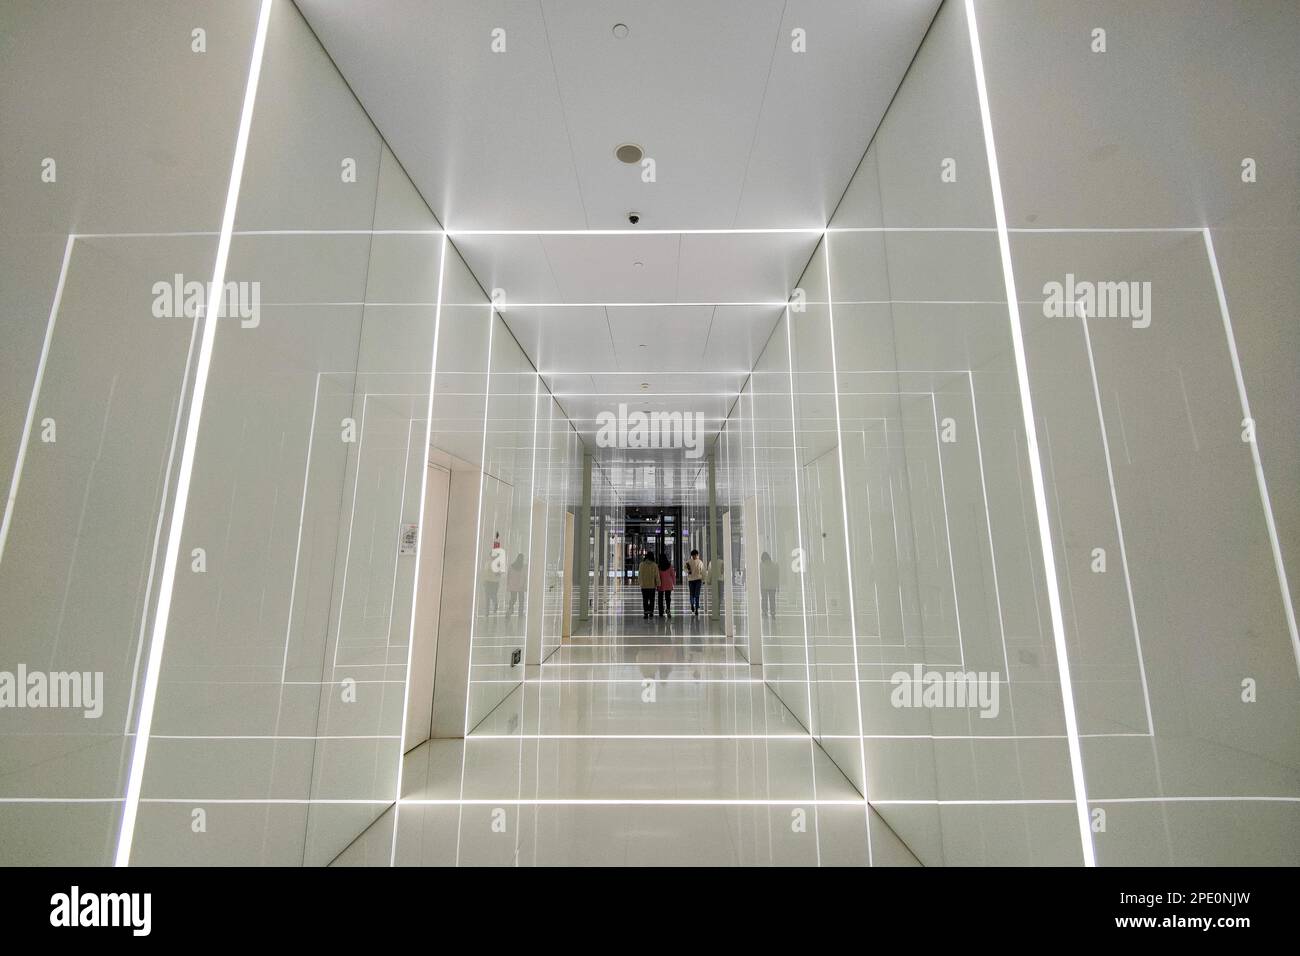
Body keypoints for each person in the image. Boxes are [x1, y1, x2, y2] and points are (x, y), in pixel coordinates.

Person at [637, 552, 659, 620]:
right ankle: (651, 612)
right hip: (652, 585)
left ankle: (646, 613)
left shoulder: (641, 565)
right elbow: (657, 576)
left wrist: (640, 583)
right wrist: (658, 584)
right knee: (652, 599)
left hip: (644, 585)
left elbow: (639, 575)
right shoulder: (654, 565)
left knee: (645, 599)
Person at [685, 549, 706, 616]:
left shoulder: (688, 562)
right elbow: (703, 571)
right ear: (697, 555)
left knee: (692, 594)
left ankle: (692, 604)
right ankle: (696, 608)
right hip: (698, 580)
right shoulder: (700, 562)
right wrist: (704, 580)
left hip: (691, 580)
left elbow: (685, 569)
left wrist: (688, 572)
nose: (695, 556)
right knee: (697, 595)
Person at [759, 551, 779, 617]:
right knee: (772, 600)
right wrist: (777, 585)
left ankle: (764, 611)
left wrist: (760, 585)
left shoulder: (761, 565)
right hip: (772, 586)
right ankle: (773, 611)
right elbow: (777, 576)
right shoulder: (775, 564)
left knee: (764, 600)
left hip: (764, 586)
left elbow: (761, 576)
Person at [656, 553, 676, 618]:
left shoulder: (658, 567)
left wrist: (656, 583)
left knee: (660, 598)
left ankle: (661, 611)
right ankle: (668, 609)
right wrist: (674, 583)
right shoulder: (669, 566)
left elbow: (657, 576)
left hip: (660, 584)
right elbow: (673, 575)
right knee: (668, 598)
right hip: (668, 584)